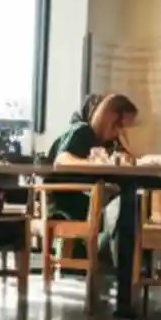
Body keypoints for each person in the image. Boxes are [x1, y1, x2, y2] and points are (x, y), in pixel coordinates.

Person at [48, 93, 139, 267]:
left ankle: (115, 264)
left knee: (127, 208)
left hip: (88, 201)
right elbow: (62, 160)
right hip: (65, 203)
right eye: (118, 125)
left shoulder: (105, 142)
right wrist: (94, 163)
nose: (119, 131)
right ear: (109, 117)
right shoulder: (82, 131)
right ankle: (113, 265)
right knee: (122, 213)